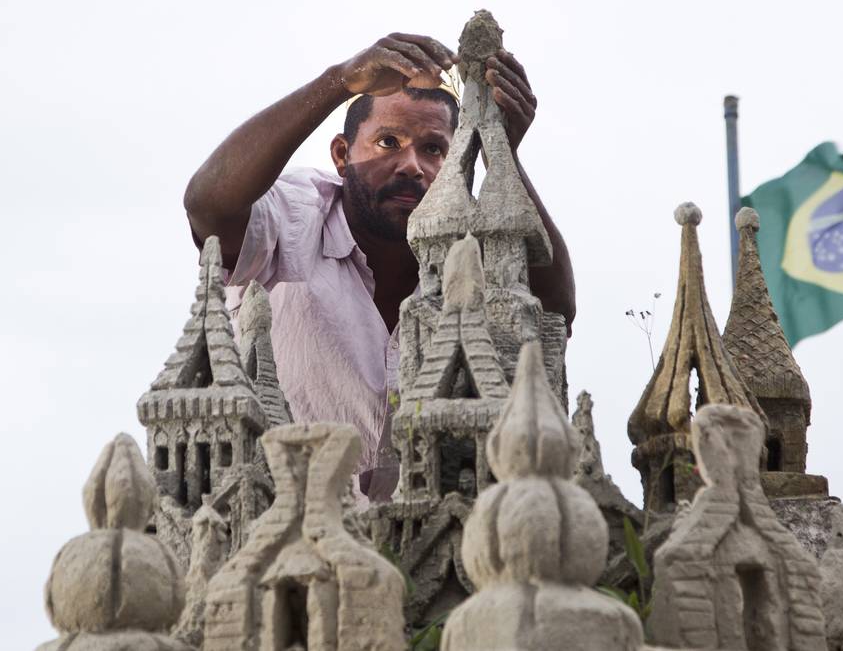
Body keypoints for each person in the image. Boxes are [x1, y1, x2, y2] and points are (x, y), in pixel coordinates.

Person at [183, 33, 575, 503]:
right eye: (389, 142)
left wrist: (500, 150)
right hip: (287, 529)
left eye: (434, 149)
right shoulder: (296, 216)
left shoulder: (472, 246)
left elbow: (554, 310)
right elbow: (208, 205)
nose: (411, 165)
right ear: (343, 155)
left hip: (434, 538)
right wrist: (338, 82)